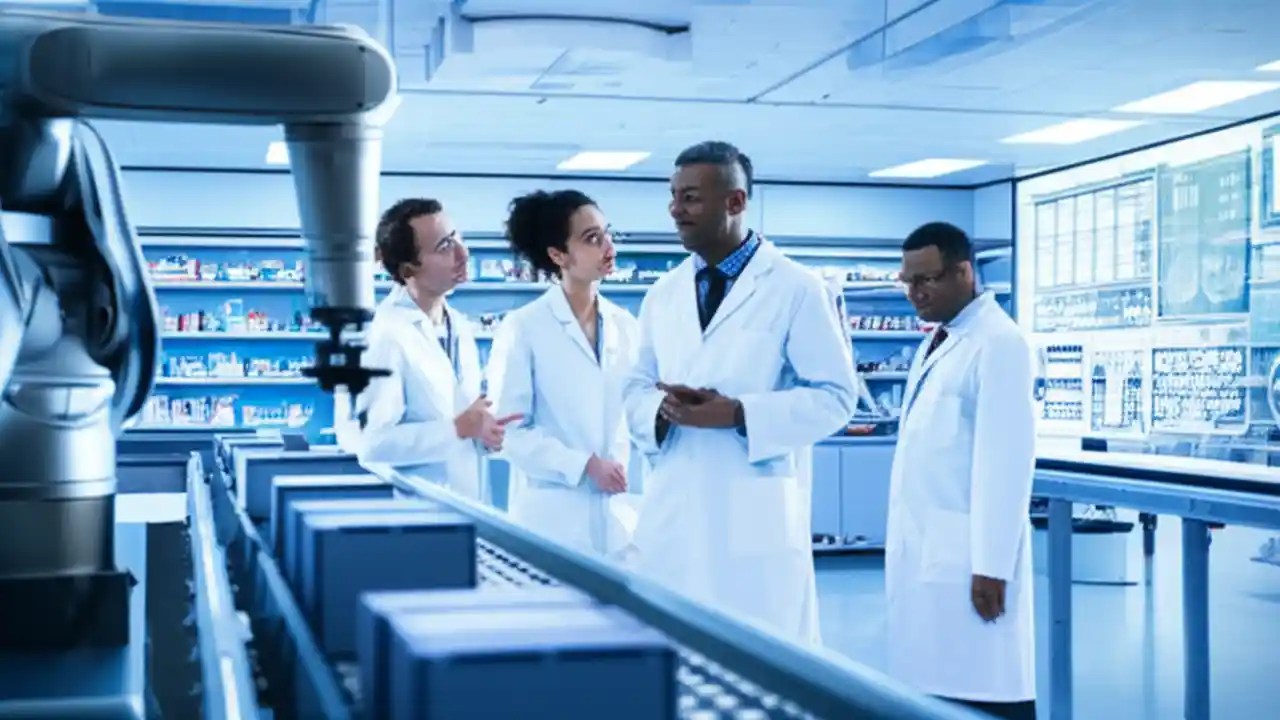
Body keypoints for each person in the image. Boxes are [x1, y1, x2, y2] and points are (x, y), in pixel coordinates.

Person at [622, 141, 859, 645]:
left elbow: (838, 397)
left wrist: (739, 414)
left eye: (690, 197)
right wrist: (658, 411)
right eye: (673, 196)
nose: (675, 209)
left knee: (758, 658)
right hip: (675, 501)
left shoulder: (795, 287)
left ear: (735, 202)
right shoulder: (662, 295)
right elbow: (634, 385)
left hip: (755, 511)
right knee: (674, 653)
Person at [885, 221, 1037, 719]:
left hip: (969, 558)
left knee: (985, 690)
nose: (915, 293)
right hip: (932, 546)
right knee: (936, 688)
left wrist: (992, 565)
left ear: (964, 272)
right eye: (907, 281)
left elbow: (1006, 461)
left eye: (926, 280)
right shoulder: (940, 340)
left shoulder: (999, 343)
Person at [485, 189, 642, 559]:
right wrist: (584, 465)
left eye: (608, 234)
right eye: (592, 239)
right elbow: (508, 432)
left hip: (618, 519)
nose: (608, 247)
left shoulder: (625, 326)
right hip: (552, 519)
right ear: (558, 256)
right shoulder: (524, 328)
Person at [351, 197, 520, 500]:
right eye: (444, 247)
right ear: (407, 271)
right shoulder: (386, 336)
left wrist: (484, 434)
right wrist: (457, 429)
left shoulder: (458, 325)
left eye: (458, 238)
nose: (463, 254)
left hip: (468, 508)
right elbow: (372, 445)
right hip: (418, 517)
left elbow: (462, 422)